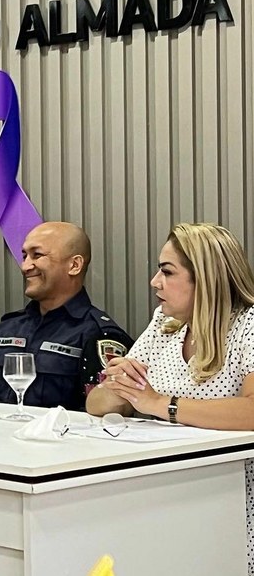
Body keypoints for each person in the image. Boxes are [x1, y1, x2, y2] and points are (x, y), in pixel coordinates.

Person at [86, 223, 254, 574]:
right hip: (164, 485)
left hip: (231, 496)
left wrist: (161, 404)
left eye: (167, 271)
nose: (154, 282)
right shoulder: (166, 323)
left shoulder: (247, 326)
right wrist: (117, 385)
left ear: (205, 278)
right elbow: (97, 404)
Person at [0, 221, 132, 410]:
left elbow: (106, 416)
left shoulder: (99, 334)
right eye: (24, 256)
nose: (25, 266)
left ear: (74, 265)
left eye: (37, 255)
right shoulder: (9, 326)